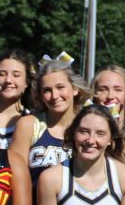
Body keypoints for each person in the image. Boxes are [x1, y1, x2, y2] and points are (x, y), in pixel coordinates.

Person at [12, 54, 84, 189]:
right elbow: (16, 180)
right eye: (47, 90)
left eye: (60, 87)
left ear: (75, 89)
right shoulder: (28, 125)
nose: (54, 96)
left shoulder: (89, 126)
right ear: (39, 95)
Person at [0, 50, 35, 154]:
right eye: (2, 74)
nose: (8, 80)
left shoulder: (35, 121)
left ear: (27, 82)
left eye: (16, 75)